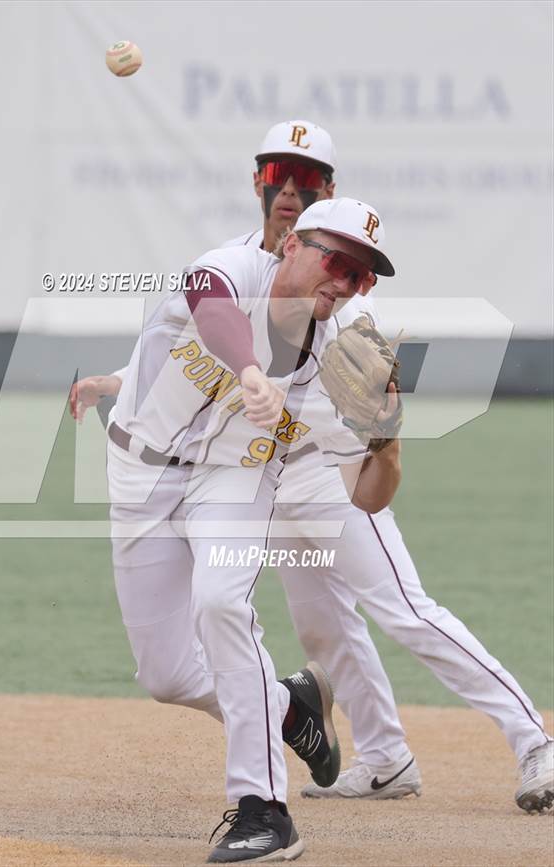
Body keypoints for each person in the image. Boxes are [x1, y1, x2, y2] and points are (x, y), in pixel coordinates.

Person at [71, 120, 553, 814]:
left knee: (402, 605)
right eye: (278, 176)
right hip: (247, 465)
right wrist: (118, 380)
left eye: (310, 180)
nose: (291, 190)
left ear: (329, 192)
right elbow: (199, 337)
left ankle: (532, 737)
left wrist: (386, 438)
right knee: (321, 625)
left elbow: (362, 457)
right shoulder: (239, 258)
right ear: (259, 183)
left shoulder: (346, 308)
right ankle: (385, 755)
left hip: (316, 467)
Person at [105, 195, 399, 863]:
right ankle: (289, 707)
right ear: (292, 242)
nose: (346, 281)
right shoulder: (236, 265)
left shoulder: (333, 362)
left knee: (221, 602)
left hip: (233, 477)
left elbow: (368, 497)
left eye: (361, 275)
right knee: (169, 675)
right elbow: (211, 305)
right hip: (138, 466)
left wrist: (386, 441)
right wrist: (248, 371)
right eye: (338, 259)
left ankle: (265, 810)